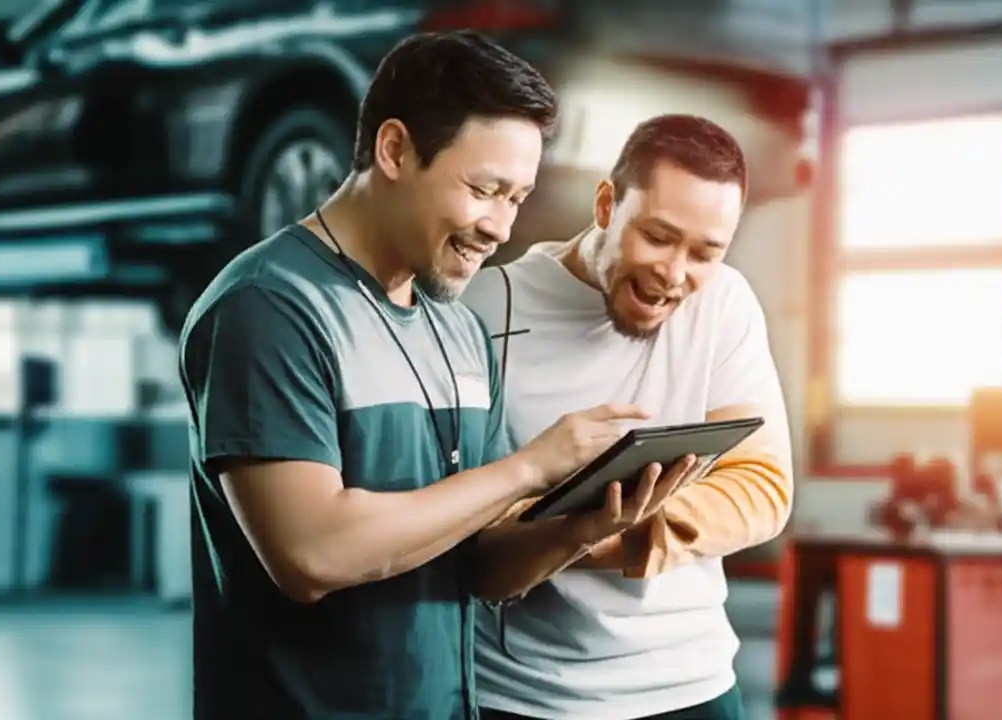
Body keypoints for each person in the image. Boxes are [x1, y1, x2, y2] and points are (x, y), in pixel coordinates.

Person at [177, 32, 691, 720]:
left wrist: (583, 523)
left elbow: (476, 564)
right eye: (484, 190)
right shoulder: (268, 306)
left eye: (518, 197)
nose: (500, 228)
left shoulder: (460, 331)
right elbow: (312, 553)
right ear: (394, 150)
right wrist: (533, 468)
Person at [461, 114, 796, 720]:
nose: (673, 274)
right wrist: (559, 525)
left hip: (692, 686)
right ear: (607, 204)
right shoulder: (483, 309)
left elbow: (762, 488)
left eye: (705, 252)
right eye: (659, 236)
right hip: (527, 697)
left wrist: (594, 532)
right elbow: (463, 526)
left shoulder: (724, 302)